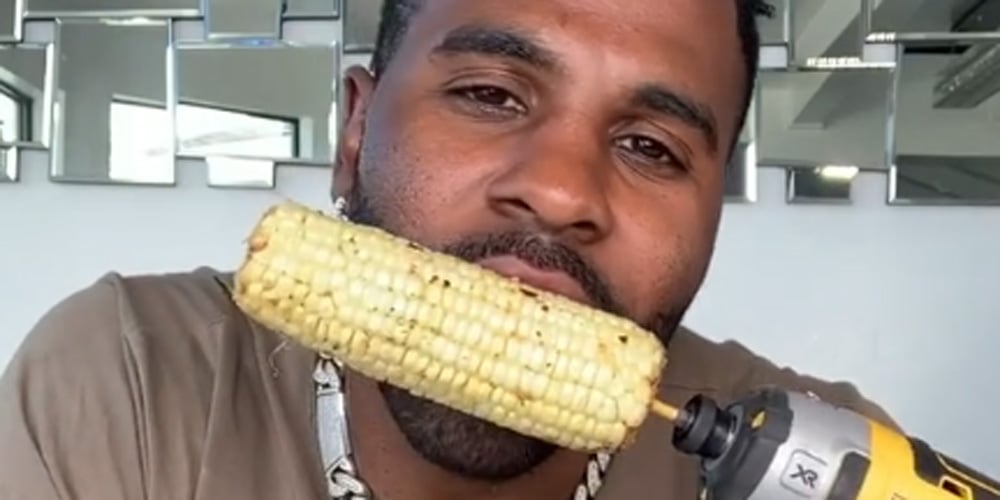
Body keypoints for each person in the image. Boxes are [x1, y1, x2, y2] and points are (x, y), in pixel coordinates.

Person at [0, 1, 900, 499]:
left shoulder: (833, 464)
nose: (560, 190)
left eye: (650, 147)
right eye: (490, 95)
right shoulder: (128, 385)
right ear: (355, 134)